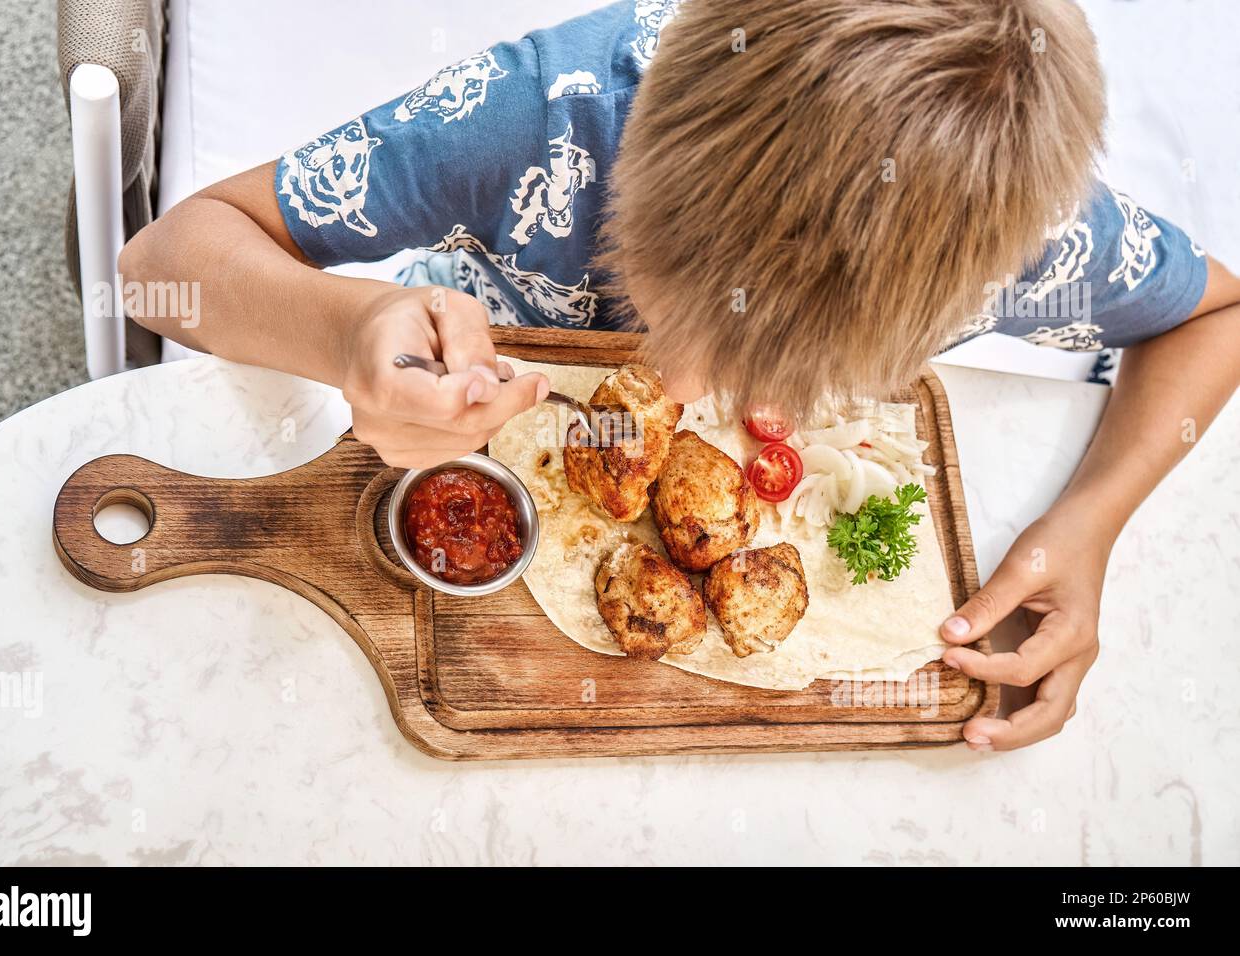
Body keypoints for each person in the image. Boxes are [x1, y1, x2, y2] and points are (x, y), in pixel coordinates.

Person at [119, 0, 1240, 750]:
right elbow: (159, 267)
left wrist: (1089, 521)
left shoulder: (1025, 238)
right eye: (673, 312)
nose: (690, 393)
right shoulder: (538, 116)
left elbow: (1217, 316)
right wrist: (346, 328)